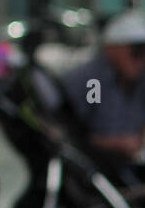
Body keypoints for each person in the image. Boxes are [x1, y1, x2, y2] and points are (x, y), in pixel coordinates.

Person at [60, 9, 145, 167]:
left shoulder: (140, 81)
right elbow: (71, 134)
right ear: (112, 48)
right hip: (95, 169)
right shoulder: (90, 80)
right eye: (137, 50)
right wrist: (116, 143)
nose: (142, 60)